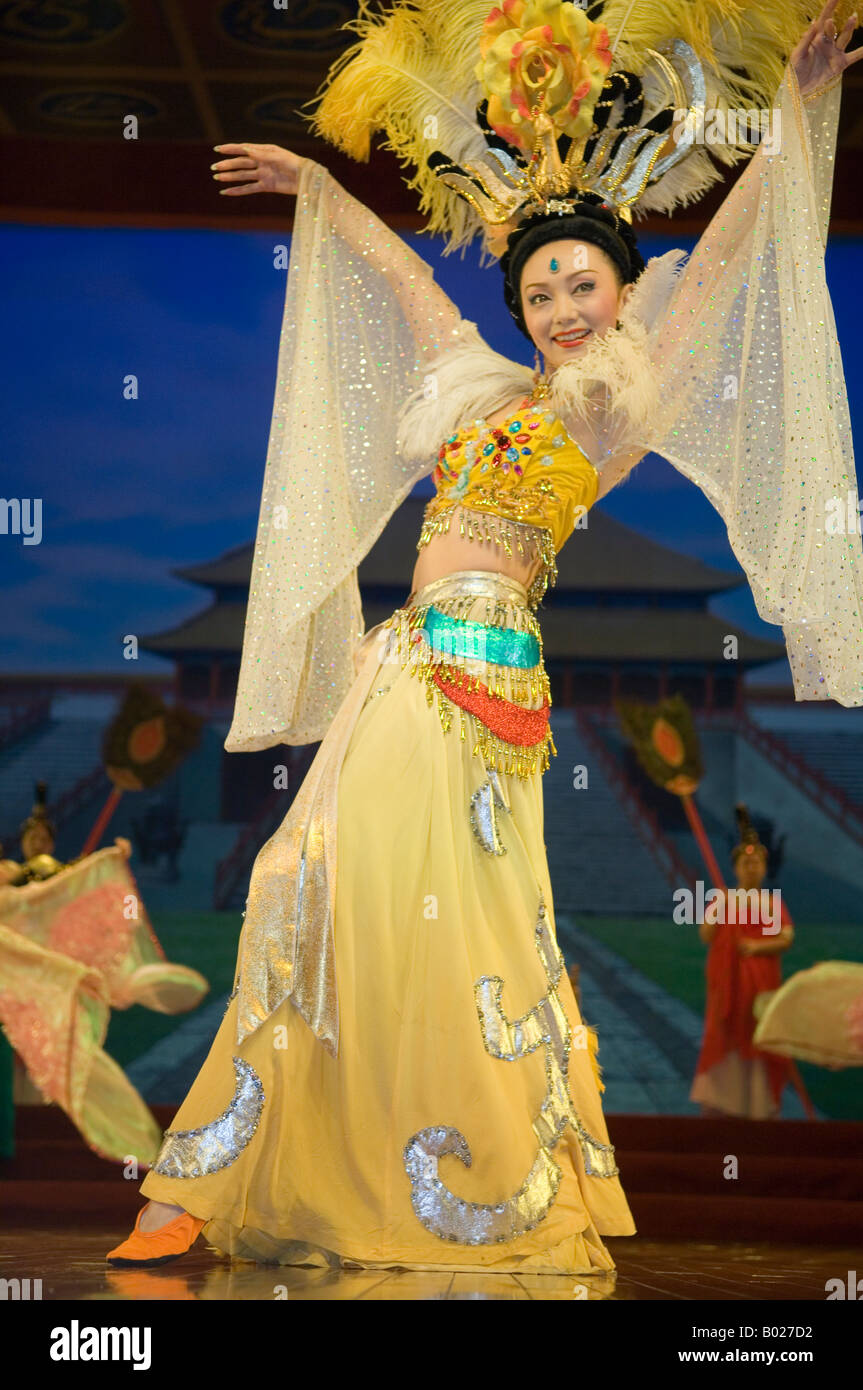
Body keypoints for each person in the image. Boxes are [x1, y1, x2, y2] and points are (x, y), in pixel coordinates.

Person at [107, 0, 863, 1272]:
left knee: (458, 926)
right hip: (397, 667)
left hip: (483, 674)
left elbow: (729, 259)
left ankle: (451, 1180)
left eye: (583, 284)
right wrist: (316, 190)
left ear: (621, 292)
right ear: (519, 308)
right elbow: (407, 284)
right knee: (308, 888)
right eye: (541, 289)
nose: (562, 304)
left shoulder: (612, 408)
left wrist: (791, 120)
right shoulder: (477, 390)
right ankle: (221, 1172)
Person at [691, 806, 795, 1119]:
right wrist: (720, 909)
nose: (752, 867)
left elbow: (786, 937)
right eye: (746, 862)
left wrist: (757, 945)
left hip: (760, 980)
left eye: (757, 862)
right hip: (727, 981)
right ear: (736, 867)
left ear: (765, 866)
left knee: (757, 1034)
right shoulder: (723, 898)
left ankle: (759, 1103)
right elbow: (706, 935)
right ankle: (722, 1101)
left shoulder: (771, 903)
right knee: (725, 1033)